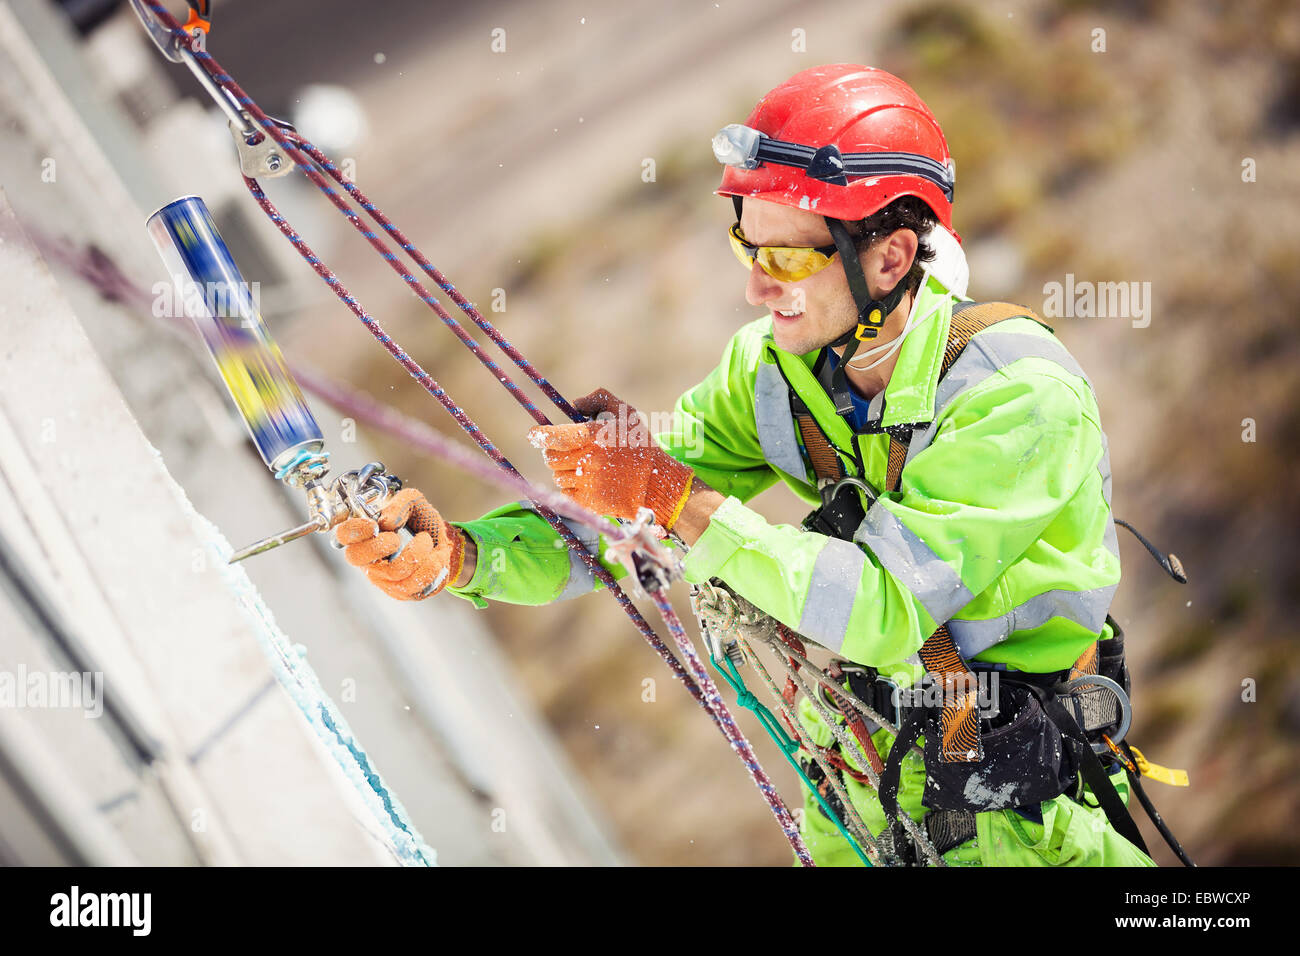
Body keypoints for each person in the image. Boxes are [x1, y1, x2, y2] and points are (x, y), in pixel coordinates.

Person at [335, 64, 1154, 867]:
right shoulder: (772, 373)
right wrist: (467, 556)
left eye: (790, 259)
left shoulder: (1018, 397)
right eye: (746, 248)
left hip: (1016, 820)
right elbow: (623, 520)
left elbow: (882, 606)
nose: (759, 289)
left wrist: (674, 498)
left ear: (892, 258)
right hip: (861, 785)